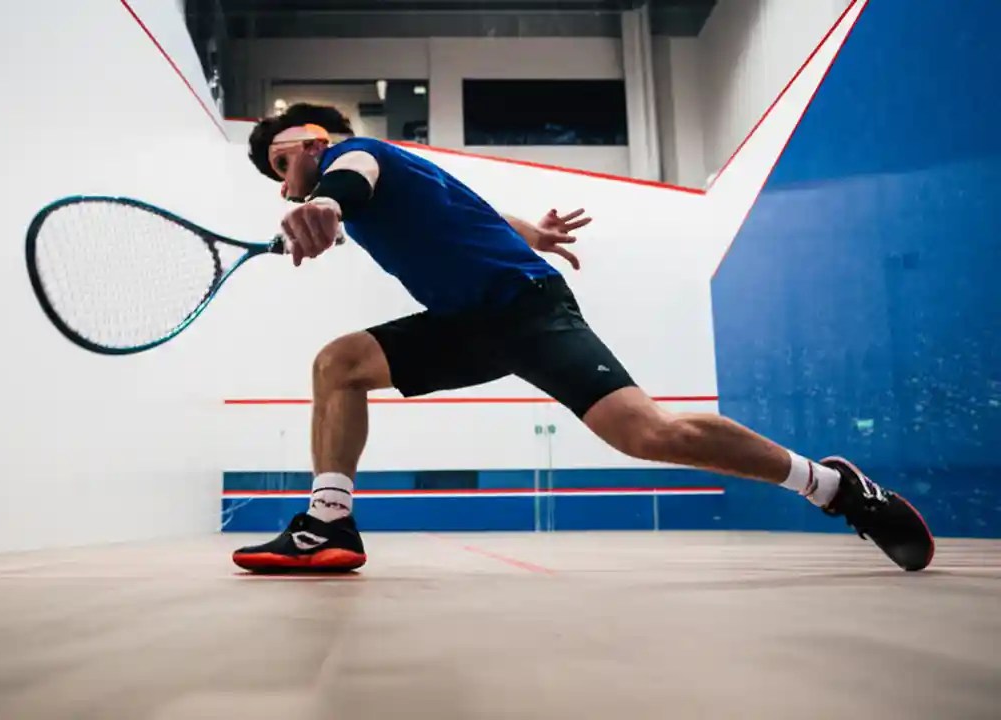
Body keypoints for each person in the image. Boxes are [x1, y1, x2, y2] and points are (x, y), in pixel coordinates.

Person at [231, 103, 934, 574]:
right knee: (340, 363)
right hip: (466, 324)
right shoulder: (388, 177)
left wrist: (328, 199)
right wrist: (531, 231)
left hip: (526, 310)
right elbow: (472, 211)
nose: (283, 185)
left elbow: (352, 176)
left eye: (281, 164)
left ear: (312, 143)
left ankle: (834, 487)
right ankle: (329, 522)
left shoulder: (356, 157)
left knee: (648, 435)